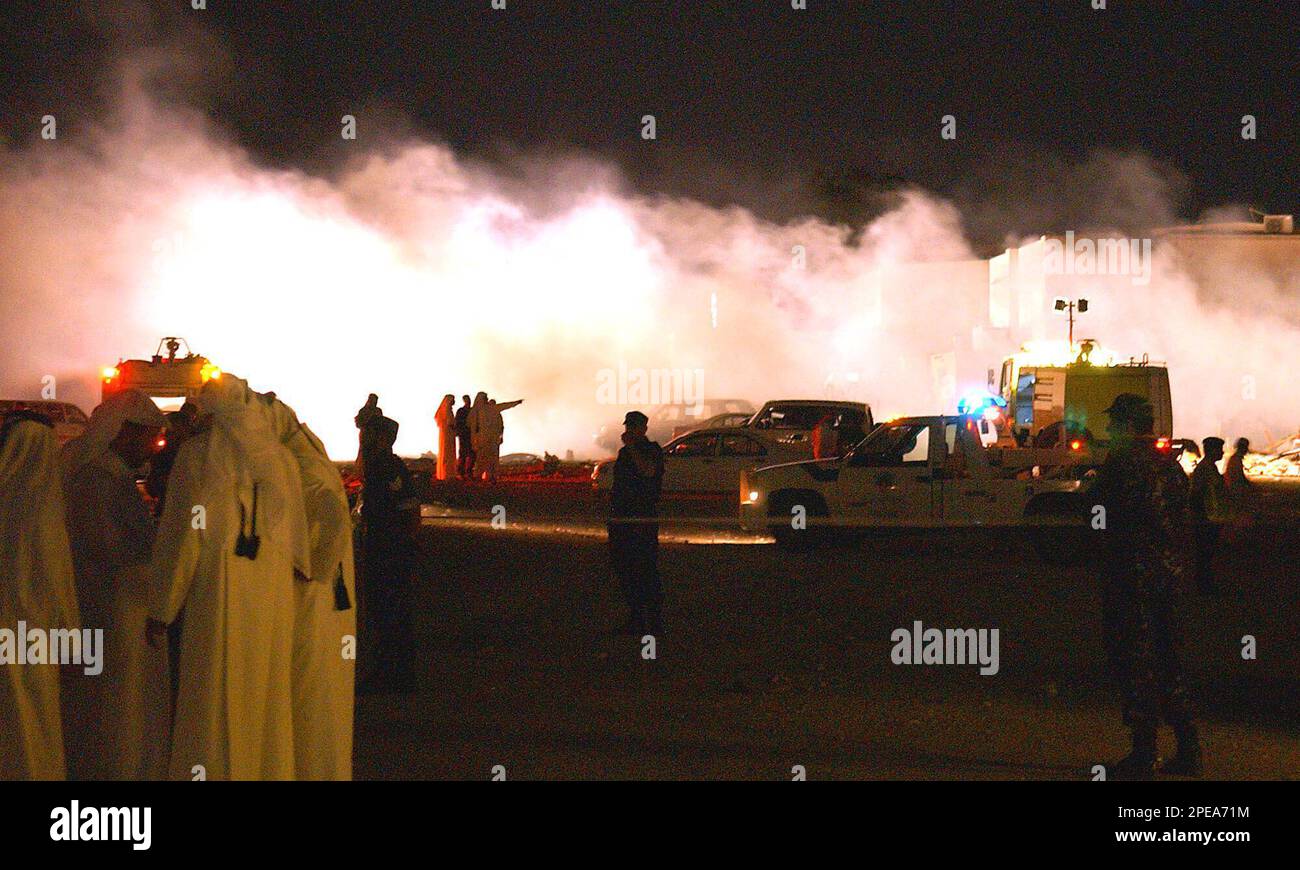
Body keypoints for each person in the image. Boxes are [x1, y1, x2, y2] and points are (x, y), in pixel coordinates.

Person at [146, 375, 310, 780]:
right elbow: (297, 546)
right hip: (271, 600)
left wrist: (162, 607)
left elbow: (183, 536)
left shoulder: (199, 456)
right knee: (264, 701)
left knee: (214, 700)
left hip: (217, 598)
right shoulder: (282, 461)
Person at [1089, 393, 1199, 778]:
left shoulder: (1122, 463)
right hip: (1169, 577)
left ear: (1127, 424)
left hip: (1131, 577)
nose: (1110, 428)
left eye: (1115, 421)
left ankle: (1144, 752)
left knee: (1134, 659)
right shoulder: (1170, 467)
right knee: (1169, 658)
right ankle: (1188, 748)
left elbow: (1097, 513)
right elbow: (1185, 521)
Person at [61, 389, 169, 780]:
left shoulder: (111, 477)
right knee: (115, 714)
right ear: (123, 432)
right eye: (146, 436)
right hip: (111, 615)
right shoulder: (97, 479)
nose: (152, 447)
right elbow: (112, 553)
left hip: (122, 613)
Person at [257, 392, 357, 780]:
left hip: (318, 605)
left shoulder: (304, 467)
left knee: (313, 702)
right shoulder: (303, 459)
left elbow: (331, 521)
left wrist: (307, 570)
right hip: (323, 604)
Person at [0, 414, 81, 780]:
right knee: (34, 723)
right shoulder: (43, 507)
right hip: (33, 635)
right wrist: (73, 642)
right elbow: (56, 578)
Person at [358, 414, 420, 694]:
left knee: (390, 611)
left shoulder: (388, 468)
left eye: (370, 436)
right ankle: (392, 671)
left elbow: (408, 510)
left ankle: (394, 674)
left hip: (389, 549)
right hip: (383, 547)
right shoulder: (379, 466)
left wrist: (401, 544)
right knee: (384, 611)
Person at [607, 410, 665, 636]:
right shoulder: (624, 453)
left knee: (645, 570)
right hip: (623, 517)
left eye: (633, 427)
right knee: (625, 569)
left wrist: (632, 449)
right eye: (627, 426)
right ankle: (636, 619)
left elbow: (649, 472)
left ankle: (653, 623)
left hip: (641, 518)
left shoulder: (651, 450)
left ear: (643, 429)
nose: (628, 431)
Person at [1187, 437, 1228, 595]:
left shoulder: (1208, 468)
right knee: (1204, 553)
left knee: (1206, 553)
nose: (1222, 453)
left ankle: (1205, 584)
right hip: (1206, 519)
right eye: (1219, 449)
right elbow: (1196, 495)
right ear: (1212, 451)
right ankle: (1204, 586)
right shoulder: (1205, 470)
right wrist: (1200, 517)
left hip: (1209, 517)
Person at [145, 401, 199, 516]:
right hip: (176, 510)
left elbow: (152, 487)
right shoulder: (165, 455)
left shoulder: (166, 455)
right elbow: (152, 486)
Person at [473, 396, 523, 483]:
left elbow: (501, 427)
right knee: (490, 458)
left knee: (487, 457)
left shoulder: (483, 411)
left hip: (490, 438)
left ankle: (487, 476)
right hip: (490, 438)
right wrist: (516, 403)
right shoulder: (492, 410)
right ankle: (487, 476)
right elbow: (506, 406)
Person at [354, 394, 382, 479]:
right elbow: (358, 423)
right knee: (364, 457)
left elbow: (381, 423)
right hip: (366, 437)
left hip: (376, 438)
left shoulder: (377, 411)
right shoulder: (363, 411)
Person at [434, 394, 456, 482]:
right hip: (448, 433)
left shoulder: (448, 409)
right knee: (447, 452)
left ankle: (447, 473)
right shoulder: (447, 410)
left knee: (447, 452)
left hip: (447, 433)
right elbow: (450, 422)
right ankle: (447, 474)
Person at [454, 395, 474, 479]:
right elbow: (457, 422)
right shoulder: (461, 411)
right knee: (463, 454)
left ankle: (468, 471)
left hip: (470, 435)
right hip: (463, 435)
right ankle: (461, 472)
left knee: (471, 453)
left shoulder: (472, 410)